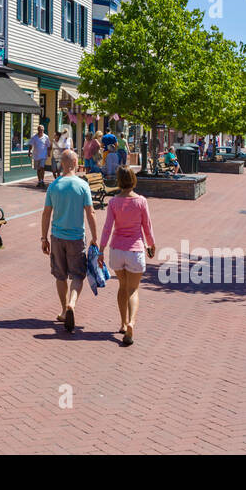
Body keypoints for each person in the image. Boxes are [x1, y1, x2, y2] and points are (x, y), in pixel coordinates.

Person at [41, 149, 100, 333]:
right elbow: (90, 213)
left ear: (62, 164)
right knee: (77, 275)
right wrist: (95, 238)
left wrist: (44, 237)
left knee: (60, 275)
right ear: (75, 163)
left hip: (57, 237)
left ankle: (63, 310)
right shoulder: (82, 186)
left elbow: (46, 213)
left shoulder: (54, 186)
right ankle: (72, 304)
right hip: (76, 237)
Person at [98, 165, 156, 347]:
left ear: (119, 181)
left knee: (122, 287)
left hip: (117, 249)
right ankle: (131, 322)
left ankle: (123, 323)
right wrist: (151, 244)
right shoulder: (141, 201)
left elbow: (107, 227)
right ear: (133, 179)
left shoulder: (114, 202)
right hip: (135, 250)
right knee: (133, 290)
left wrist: (101, 249)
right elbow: (146, 225)